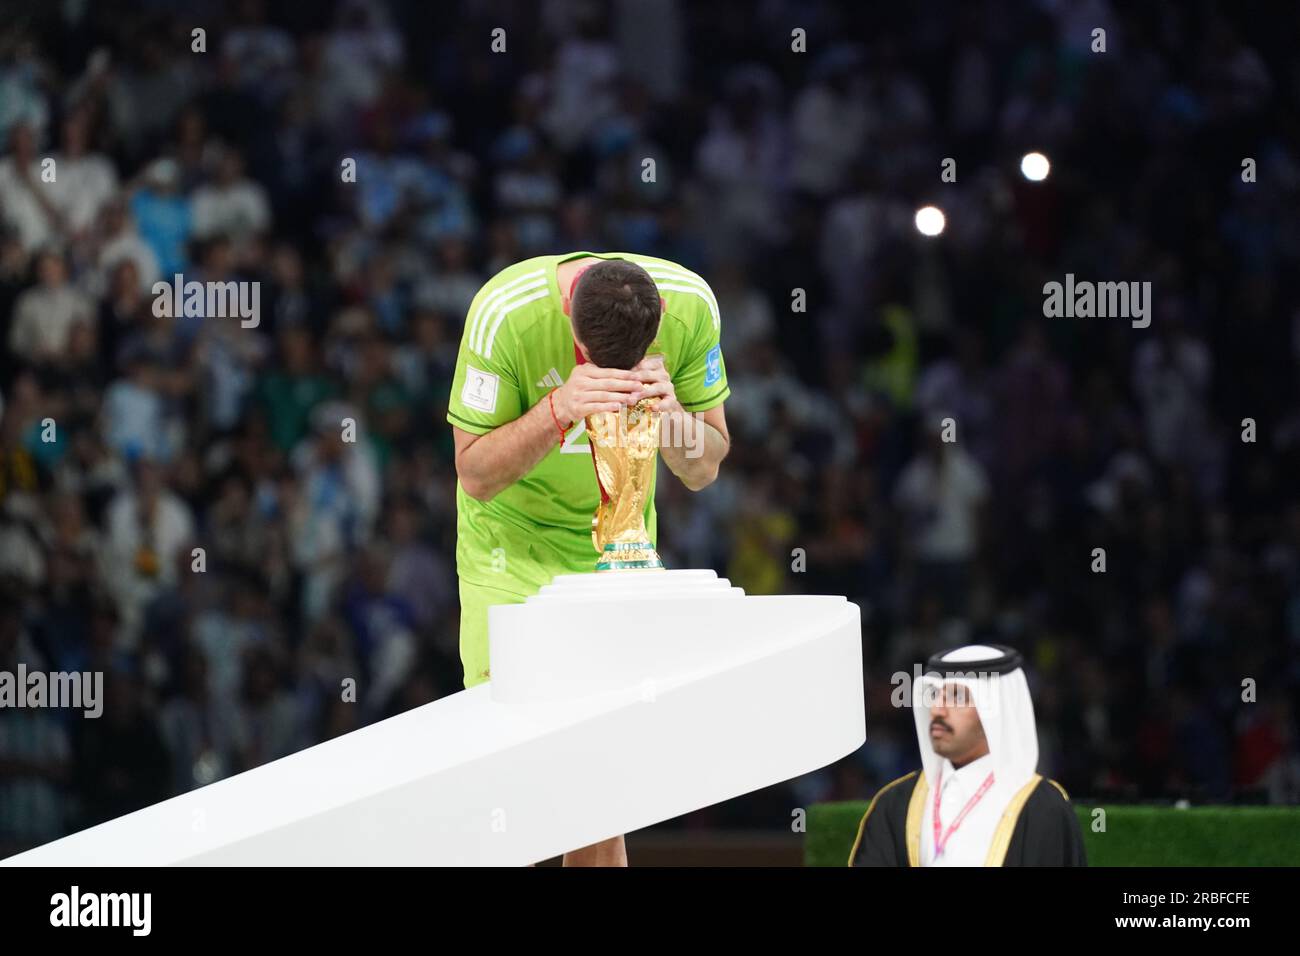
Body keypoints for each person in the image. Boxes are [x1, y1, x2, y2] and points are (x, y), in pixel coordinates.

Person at [448, 253, 731, 866]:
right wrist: (559, 410)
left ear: (657, 331)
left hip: (617, 555)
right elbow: (473, 474)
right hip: (511, 550)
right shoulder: (506, 313)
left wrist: (673, 420)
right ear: (569, 324)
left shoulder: (692, 306)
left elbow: (704, 467)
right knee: (509, 775)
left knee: (599, 787)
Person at [849, 644, 1086, 866]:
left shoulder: (1043, 809)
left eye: (957, 697)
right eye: (934, 695)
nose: (938, 710)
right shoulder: (894, 803)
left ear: (995, 710)